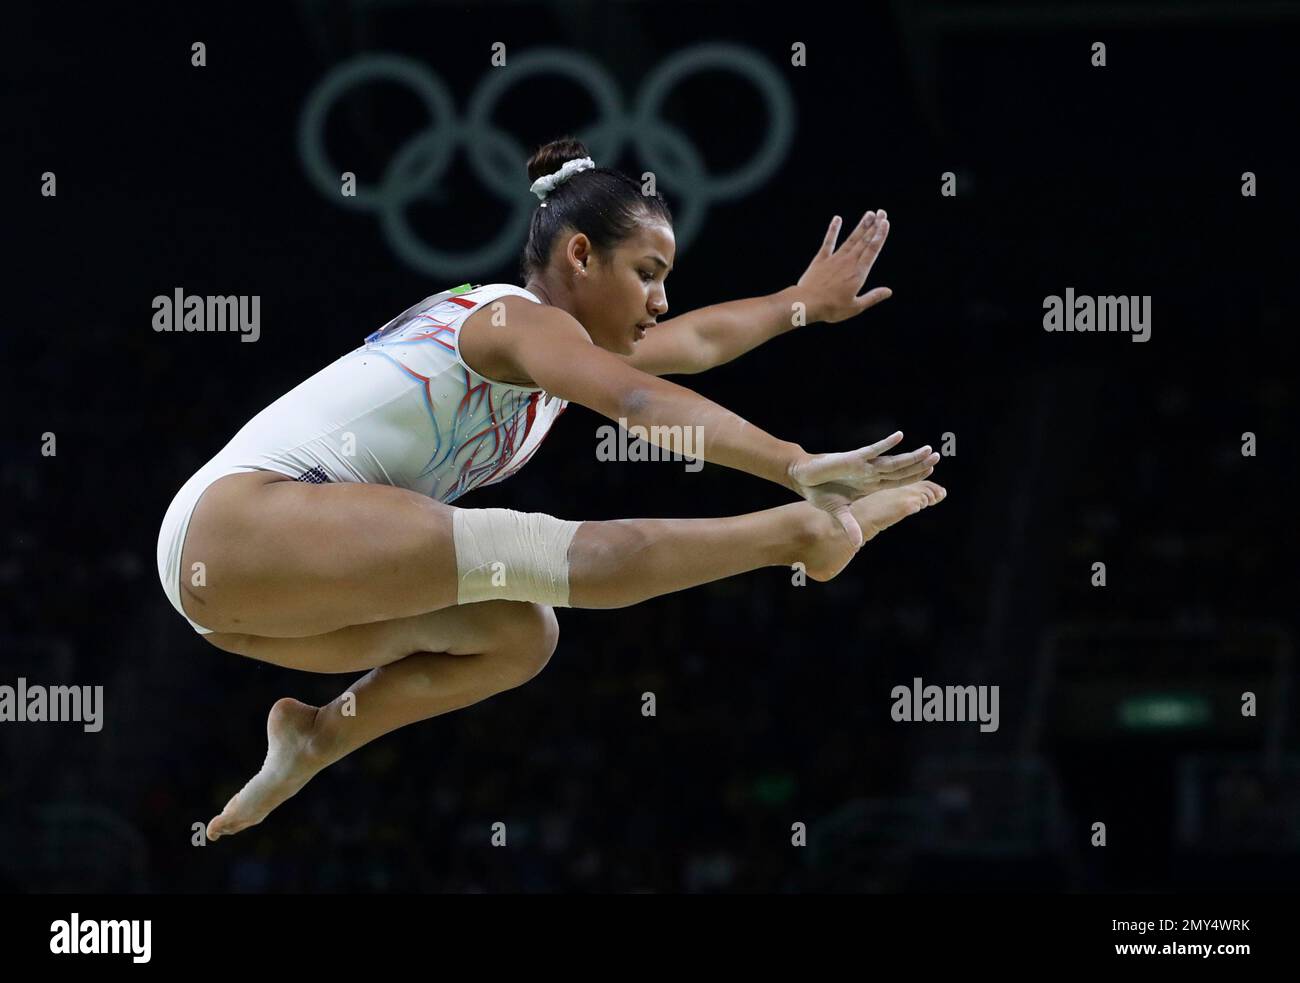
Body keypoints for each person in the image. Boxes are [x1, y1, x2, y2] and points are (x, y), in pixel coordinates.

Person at [154, 136, 946, 840]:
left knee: (519, 633)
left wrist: (801, 305)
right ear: (577, 255)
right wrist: (792, 462)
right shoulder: (509, 320)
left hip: (248, 610)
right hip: (234, 525)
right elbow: (639, 404)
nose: (660, 300)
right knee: (539, 550)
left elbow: (698, 340)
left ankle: (317, 737)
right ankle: (800, 534)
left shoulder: (548, 367)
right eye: (647, 273)